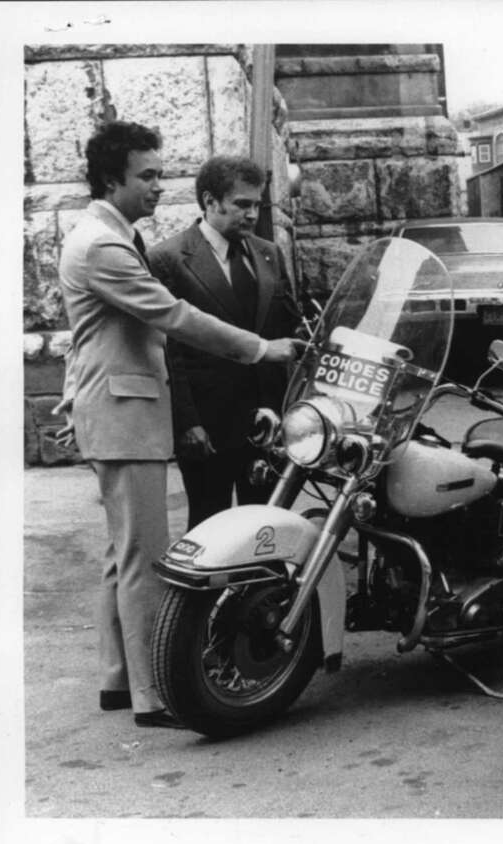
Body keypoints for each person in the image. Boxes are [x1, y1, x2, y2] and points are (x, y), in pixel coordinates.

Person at [55, 121, 303, 729]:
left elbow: (86, 340)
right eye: (147, 175)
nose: (159, 187)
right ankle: (153, 694)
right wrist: (260, 350)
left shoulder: (105, 235)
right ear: (112, 179)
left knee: (121, 554)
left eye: (160, 174)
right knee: (144, 557)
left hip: (112, 409)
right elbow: (173, 316)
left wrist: (71, 403)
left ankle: (119, 679)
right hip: (127, 411)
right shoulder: (104, 246)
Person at [147, 156, 302, 529]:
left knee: (266, 526)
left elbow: (289, 325)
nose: (251, 215)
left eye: (256, 205)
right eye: (241, 205)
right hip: (209, 425)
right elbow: (167, 350)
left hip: (269, 422)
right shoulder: (168, 259)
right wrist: (187, 423)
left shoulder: (269, 253)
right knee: (208, 527)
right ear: (209, 201)